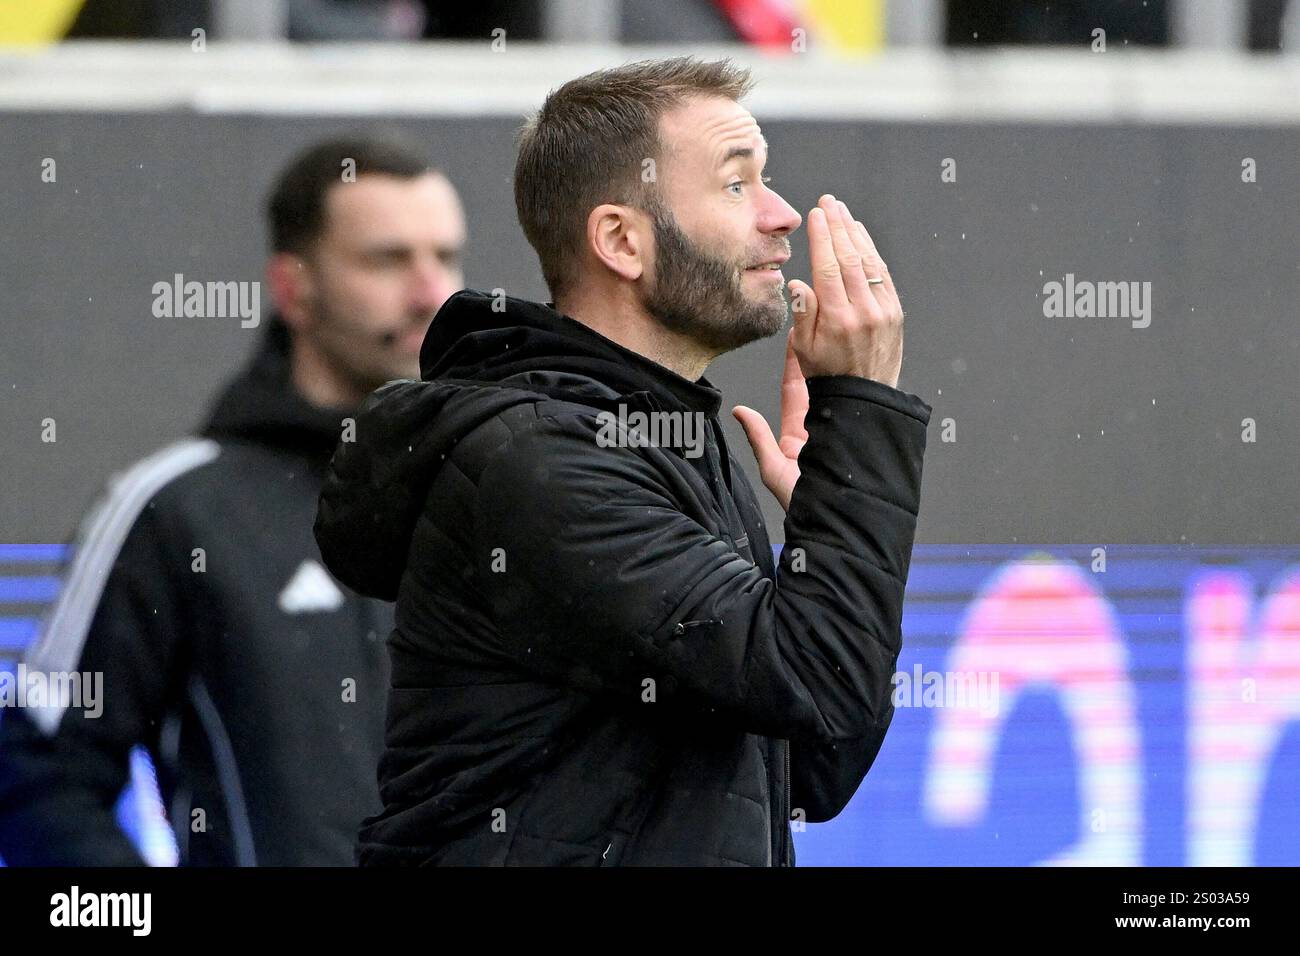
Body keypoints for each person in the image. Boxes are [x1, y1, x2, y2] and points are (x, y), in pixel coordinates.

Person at [315, 57, 930, 866]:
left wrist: (829, 512)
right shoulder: (543, 460)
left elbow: (813, 766)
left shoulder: (661, 441)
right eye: (736, 184)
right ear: (620, 241)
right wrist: (860, 426)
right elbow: (820, 686)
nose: (781, 215)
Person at [0, 135, 467, 865]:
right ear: (293, 289)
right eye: (387, 259)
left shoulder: (501, 497)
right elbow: (39, 771)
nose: (430, 293)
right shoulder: (175, 510)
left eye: (445, 257)